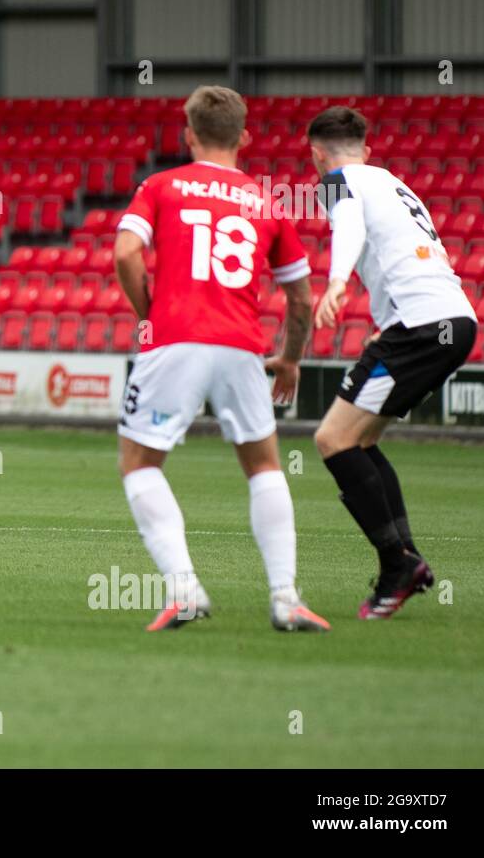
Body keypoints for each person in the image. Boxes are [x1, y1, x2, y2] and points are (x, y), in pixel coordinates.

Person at [113, 85, 328, 633]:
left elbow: (125, 251)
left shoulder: (160, 186)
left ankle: (184, 589)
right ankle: (285, 598)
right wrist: (290, 358)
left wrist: (149, 311)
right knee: (264, 466)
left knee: (140, 466)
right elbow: (301, 297)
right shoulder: (268, 203)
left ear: (188, 135)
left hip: (175, 339)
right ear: (244, 137)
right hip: (241, 346)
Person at [309, 106, 478, 621]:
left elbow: (348, 227)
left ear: (317, 155)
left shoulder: (337, 182)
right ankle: (407, 560)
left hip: (420, 327)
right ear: (367, 148)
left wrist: (336, 282)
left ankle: (396, 566)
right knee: (361, 440)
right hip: (453, 321)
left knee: (331, 440)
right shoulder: (391, 182)